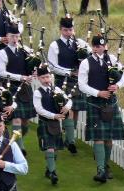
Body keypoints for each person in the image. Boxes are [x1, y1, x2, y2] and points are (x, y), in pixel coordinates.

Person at [75, 33, 124, 183]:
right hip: (94, 103)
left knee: (108, 137)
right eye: (97, 46)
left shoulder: (112, 59)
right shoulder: (86, 63)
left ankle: (105, 165)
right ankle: (100, 170)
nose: (100, 49)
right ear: (93, 47)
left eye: (102, 46)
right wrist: (98, 93)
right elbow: (82, 85)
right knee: (98, 137)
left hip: (110, 102)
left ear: (106, 46)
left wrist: (117, 85)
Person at [45, 15, 85, 153]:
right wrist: (70, 72)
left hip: (78, 81)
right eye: (66, 30)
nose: (69, 32)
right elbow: (52, 66)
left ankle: (69, 137)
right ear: (61, 30)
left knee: (76, 110)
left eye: (71, 29)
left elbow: (89, 56)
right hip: (63, 81)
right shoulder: (54, 45)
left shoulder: (79, 43)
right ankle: (71, 141)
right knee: (69, 110)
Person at [0, 23, 35, 144]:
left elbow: (31, 66)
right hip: (10, 87)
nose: (15, 39)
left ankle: (15, 140)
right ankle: (19, 148)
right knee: (16, 119)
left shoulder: (25, 50)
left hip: (25, 88)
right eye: (12, 36)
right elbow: (2, 73)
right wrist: (20, 77)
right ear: (7, 36)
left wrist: (34, 72)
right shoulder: (3, 53)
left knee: (25, 121)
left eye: (17, 36)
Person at [30, 68, 72, 184]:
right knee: (50, 147)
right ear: (38, 79)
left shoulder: (57, 89)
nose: (46, 80)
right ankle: (53, 173)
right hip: (45, 122)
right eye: (43, 78)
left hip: (56, 124)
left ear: (51, 77)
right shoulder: (38, 92)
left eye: (47, 77)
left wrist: (67, 107)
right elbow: (39, 109)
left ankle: (49, 169)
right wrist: (53, 116)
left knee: (55, 149)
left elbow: (69, 100)